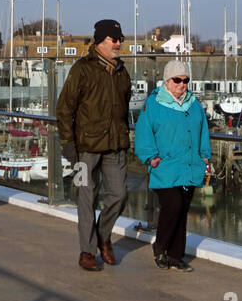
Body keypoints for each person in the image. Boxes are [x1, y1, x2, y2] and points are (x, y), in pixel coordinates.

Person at [57, 18, 132, 272]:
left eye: (121, 39)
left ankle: (103, 236)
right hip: (85, 148)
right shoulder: (81, 69)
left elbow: (124, 107)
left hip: (115, 145)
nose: (119, 44)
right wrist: (68, 143)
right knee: (86, 197)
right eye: (114, 39)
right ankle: (87, 251)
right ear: (100, 41)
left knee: (120, 195)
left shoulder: (122, 72)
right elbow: (64, 108)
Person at [134, 61, 210, 272]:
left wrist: (205, 156)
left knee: (183, 209)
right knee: (173, 206)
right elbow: (143, 132)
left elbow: (203, 130)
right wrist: (150, 157)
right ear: (167, 81)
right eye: (177, 80)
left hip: (189, 165)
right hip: (165, 166)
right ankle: (160, 249)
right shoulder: (154, 104)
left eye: (185, 80)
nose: (181, 84)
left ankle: (176, 256)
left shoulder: (193, 104)